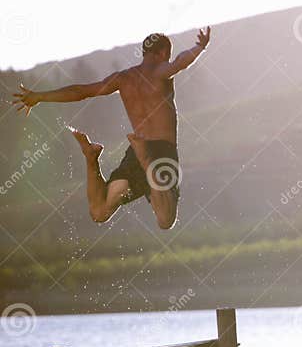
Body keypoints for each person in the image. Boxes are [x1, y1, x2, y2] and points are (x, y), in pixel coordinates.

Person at [12, 27, 211, 230]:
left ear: (144, 52)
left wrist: (40, 96)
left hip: (134, 150)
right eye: (166, 56)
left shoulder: (122, 79)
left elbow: (81, 91)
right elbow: (180, 63)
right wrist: (199, 47)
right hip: (160, 151)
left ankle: (91, 158)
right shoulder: (160, 71)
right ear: (162, 53)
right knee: (165, 219)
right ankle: (146, 159)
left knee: (100, 212)